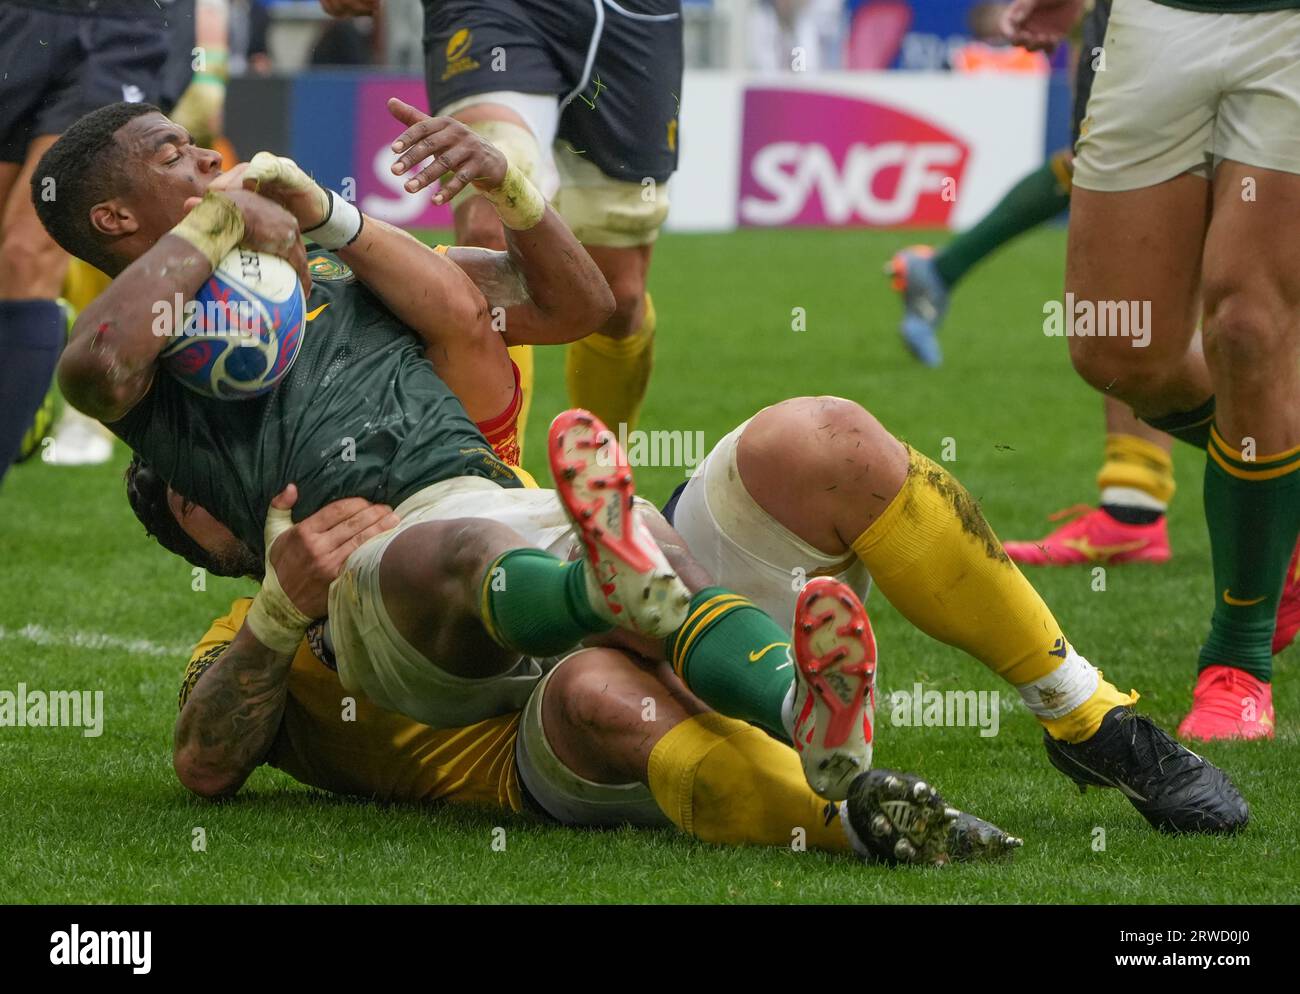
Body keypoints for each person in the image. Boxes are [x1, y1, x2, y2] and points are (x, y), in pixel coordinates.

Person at [1005, 0, 1300, 741]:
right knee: (1117, 347)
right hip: (1156, 17)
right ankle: (1279, 505)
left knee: (1246, 325)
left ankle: (1236, 665)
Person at [322, 0, 684, 450]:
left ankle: (599, 474)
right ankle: (498, 480)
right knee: (489, 226)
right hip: (492, 9)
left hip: (630, 17)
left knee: (619, 297)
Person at [0, 0, 177, 482]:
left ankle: (24, 363)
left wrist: (210, 68)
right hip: (17, 18)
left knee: (25, 253)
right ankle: (24, 353)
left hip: (120, 28)